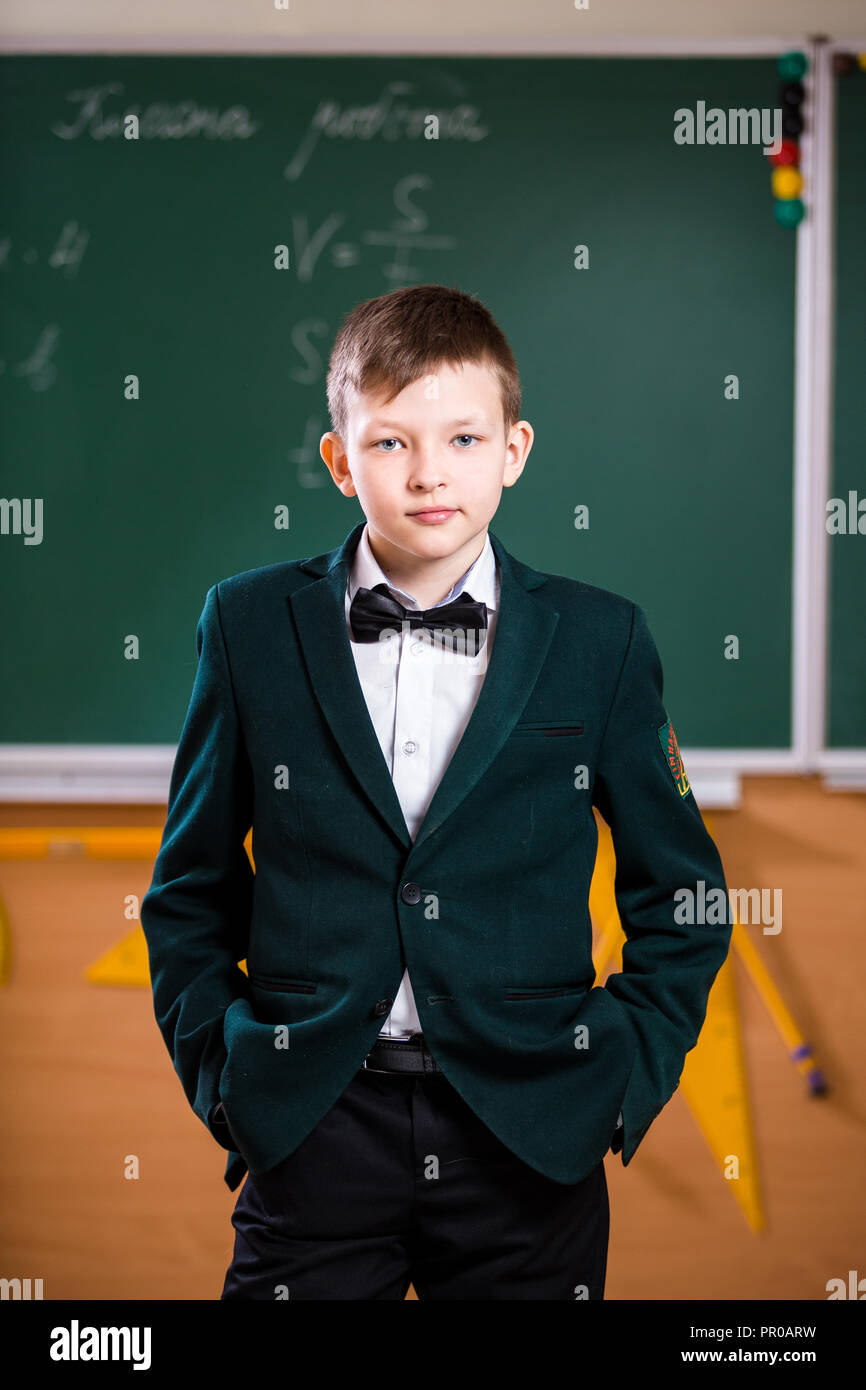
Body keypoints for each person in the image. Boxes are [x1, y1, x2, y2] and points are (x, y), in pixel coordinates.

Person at [140, 283, 732, 1300]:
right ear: (337, 461)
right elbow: (187, 888)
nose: (427, 475)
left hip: (528, 1133)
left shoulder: (599, 641)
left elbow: (684, 898)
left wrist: (613, 1079)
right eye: (388, 443)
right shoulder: (246, 626)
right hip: (314, 1126)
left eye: (461, 438)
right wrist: (232, 1080)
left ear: (513, 449)